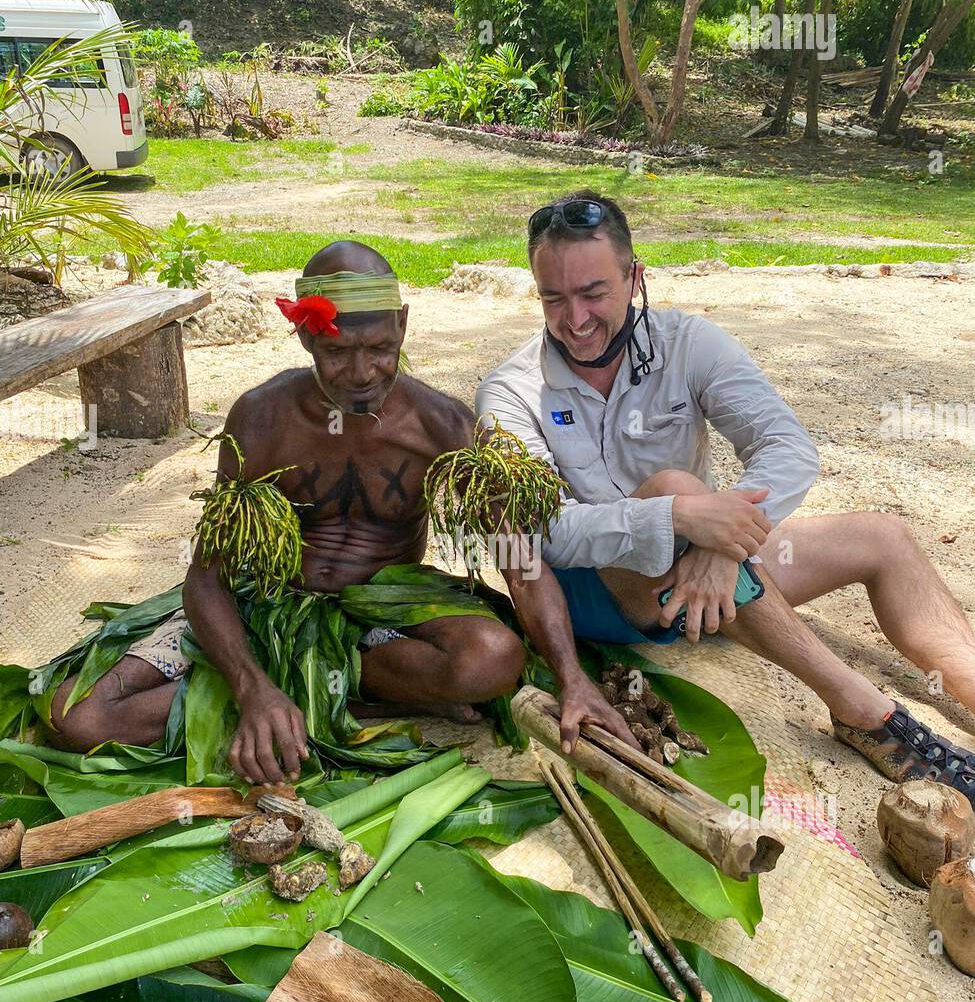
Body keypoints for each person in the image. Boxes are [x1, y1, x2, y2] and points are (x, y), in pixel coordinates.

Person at [48, 240, 634, 783]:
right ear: (306, 339)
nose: (360, 374)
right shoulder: (262, 419)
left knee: (491, 658)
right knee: (78, 717)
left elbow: (519, 563)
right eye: (337, 352)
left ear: (402, 325)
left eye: (380, 349)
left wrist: (572, 678)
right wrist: (253, 688)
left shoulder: (444, 428)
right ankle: (314, 697)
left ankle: (309, 692)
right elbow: (206, 576)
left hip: (375, 616)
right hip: (266, 606)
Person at [475, 190, 975, 807]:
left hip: (712, 583)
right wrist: (682, 515)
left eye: (593, 294)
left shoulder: (691, 342)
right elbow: (543, 533)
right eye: (554, 298)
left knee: (884, 538)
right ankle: (859, 706)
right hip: (604, 596)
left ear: (635, 277)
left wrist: (722, 541)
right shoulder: (509, 390)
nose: (574, 319)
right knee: (676, 488)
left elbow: (787, 446)